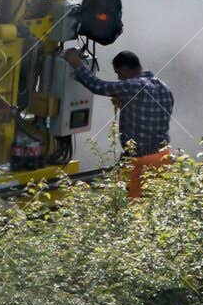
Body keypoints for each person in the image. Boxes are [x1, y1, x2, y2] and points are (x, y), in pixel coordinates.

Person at [63, 48, 174, 199]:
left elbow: (98, 86)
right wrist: (127, 104)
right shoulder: (163, 87)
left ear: (125, 69)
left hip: (142, 161)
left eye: (118, 73)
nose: (120, 78)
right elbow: (150, 114)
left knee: (136, 210)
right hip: (164, 157)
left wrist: (76, 63)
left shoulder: (133, 86)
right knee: (158, 204)